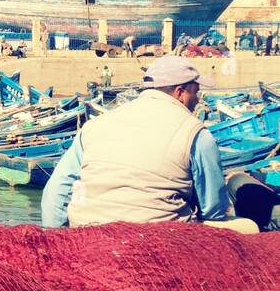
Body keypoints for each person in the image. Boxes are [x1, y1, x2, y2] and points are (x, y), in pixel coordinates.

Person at [42, 57, 227, 228]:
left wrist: (58, 242)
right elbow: (213, 210)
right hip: (160, 243)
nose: (197, 100)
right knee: (246, 225)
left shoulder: (95, 125)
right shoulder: (197, 134)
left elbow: (55, 194)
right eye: (196, 92)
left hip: (86, 233)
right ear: (180, 93)